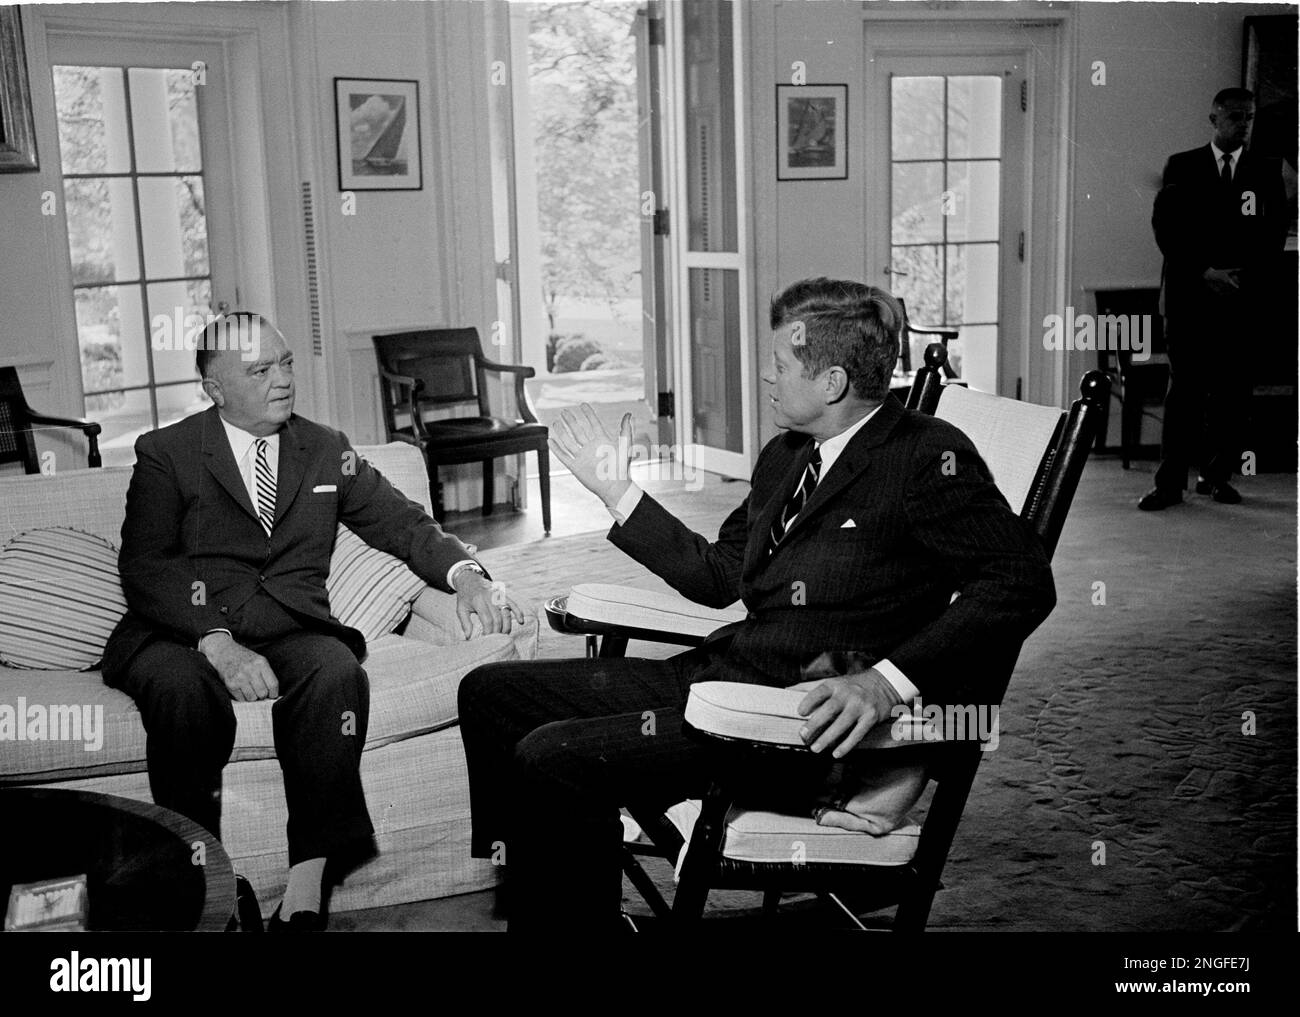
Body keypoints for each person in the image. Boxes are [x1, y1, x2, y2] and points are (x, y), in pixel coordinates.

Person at [457, 277, 1056, 931]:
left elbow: (1020, 581)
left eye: (778, 365)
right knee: (491, 694)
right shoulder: (788, 455)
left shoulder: (926, 458)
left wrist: (885, 684)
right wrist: (616, 491)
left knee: (554, 757)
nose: (765, 378)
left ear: (831, 382)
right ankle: (540, 892)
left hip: (788, 727)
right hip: (722, 680)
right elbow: (719, 575)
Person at [101, 312, 526, 931]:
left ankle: (306, 887)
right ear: (215, 390)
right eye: (260, 370)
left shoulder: (325, 448)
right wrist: (216, 643)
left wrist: (466, 576)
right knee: (179, 690)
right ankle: (198, 878)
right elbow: (146, 564)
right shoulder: (168, 453)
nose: (283, 380)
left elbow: (402, 523)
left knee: (334, 671)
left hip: (287, 625)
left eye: (287, 363)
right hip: (180, 630)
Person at [1139, 87, 1288, 511]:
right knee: (1183, 393)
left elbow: (1273, 234)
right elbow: (1166, 229)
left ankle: (1217, 477)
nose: (1244, 125)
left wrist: (1240, 278)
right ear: (1214, 119)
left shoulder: (1265, 169)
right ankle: (1168, 485)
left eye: (1250, 117)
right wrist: (1205, 272)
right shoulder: (1183, 166)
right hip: (1189, 300)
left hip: (1239, 301)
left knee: (1232, 396)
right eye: (1236, 117)